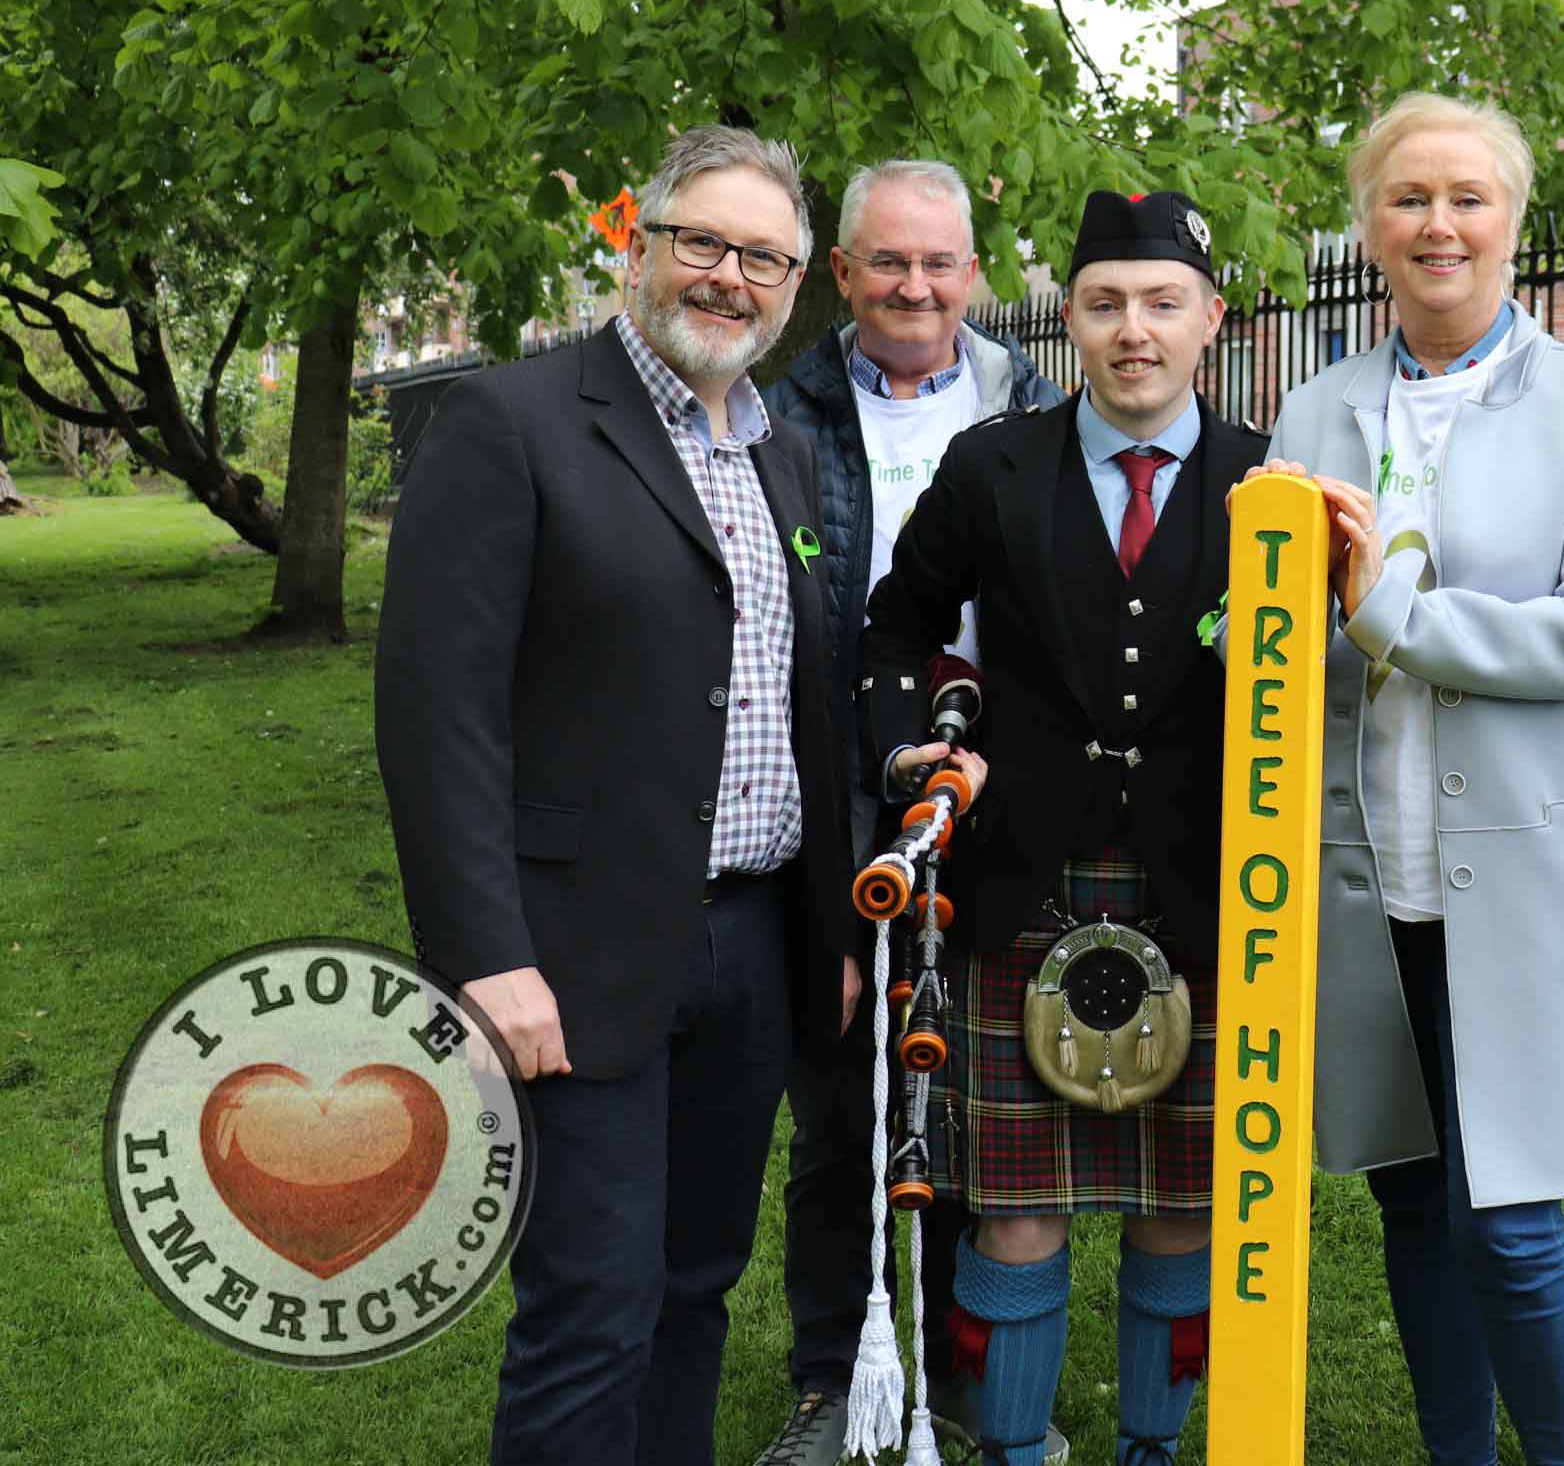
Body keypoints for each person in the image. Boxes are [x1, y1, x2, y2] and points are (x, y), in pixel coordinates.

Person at [379, 126, 978, 1466]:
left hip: (757, 947)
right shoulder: (509, 423)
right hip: (573, 950)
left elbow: (807, 699)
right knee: (591, 1305)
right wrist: (487, 959)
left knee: (695, 1287)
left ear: (789, 282)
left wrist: (827, 933)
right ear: (637, 246)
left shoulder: (775, 450)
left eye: (761, 256)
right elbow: (437, 719)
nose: (730, 277)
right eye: (701, 242)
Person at [1251, 91, 1564, 1466]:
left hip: (1530, 880)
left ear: (1513, 222)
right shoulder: (1311, 411)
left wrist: (1384, 613)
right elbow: (1263, 635)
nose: (1440, 225)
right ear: (1369, 224)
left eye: (1468, 198)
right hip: (1367, 882)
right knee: (1410, 1207)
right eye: (1410, 198)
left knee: (1515, 1222)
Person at [858, 188, 1260, 1466]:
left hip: (1206, 888)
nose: (1132, 330)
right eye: (1104, 304)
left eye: (1160, 303)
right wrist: (911, 737)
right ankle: (1012, 1452)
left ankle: (1152, 1449)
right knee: (1017, 1212)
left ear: (1210, 317)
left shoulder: (1270, 480)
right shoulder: (995, 464)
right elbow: (892, 625)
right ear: (1069, 319)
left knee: (1180, 1211)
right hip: (1023, 871)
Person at [758, 159, 1064, 1466]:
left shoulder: (1036, 402)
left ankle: (960, 1375)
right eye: (888, 263)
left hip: (1001, 802)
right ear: (842, 275)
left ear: (975, 273)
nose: (916, 287)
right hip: (836, 796)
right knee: (840, 1111)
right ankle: (835, 1381)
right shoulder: (779, 413)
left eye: (941, 264)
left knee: (979, 1112)